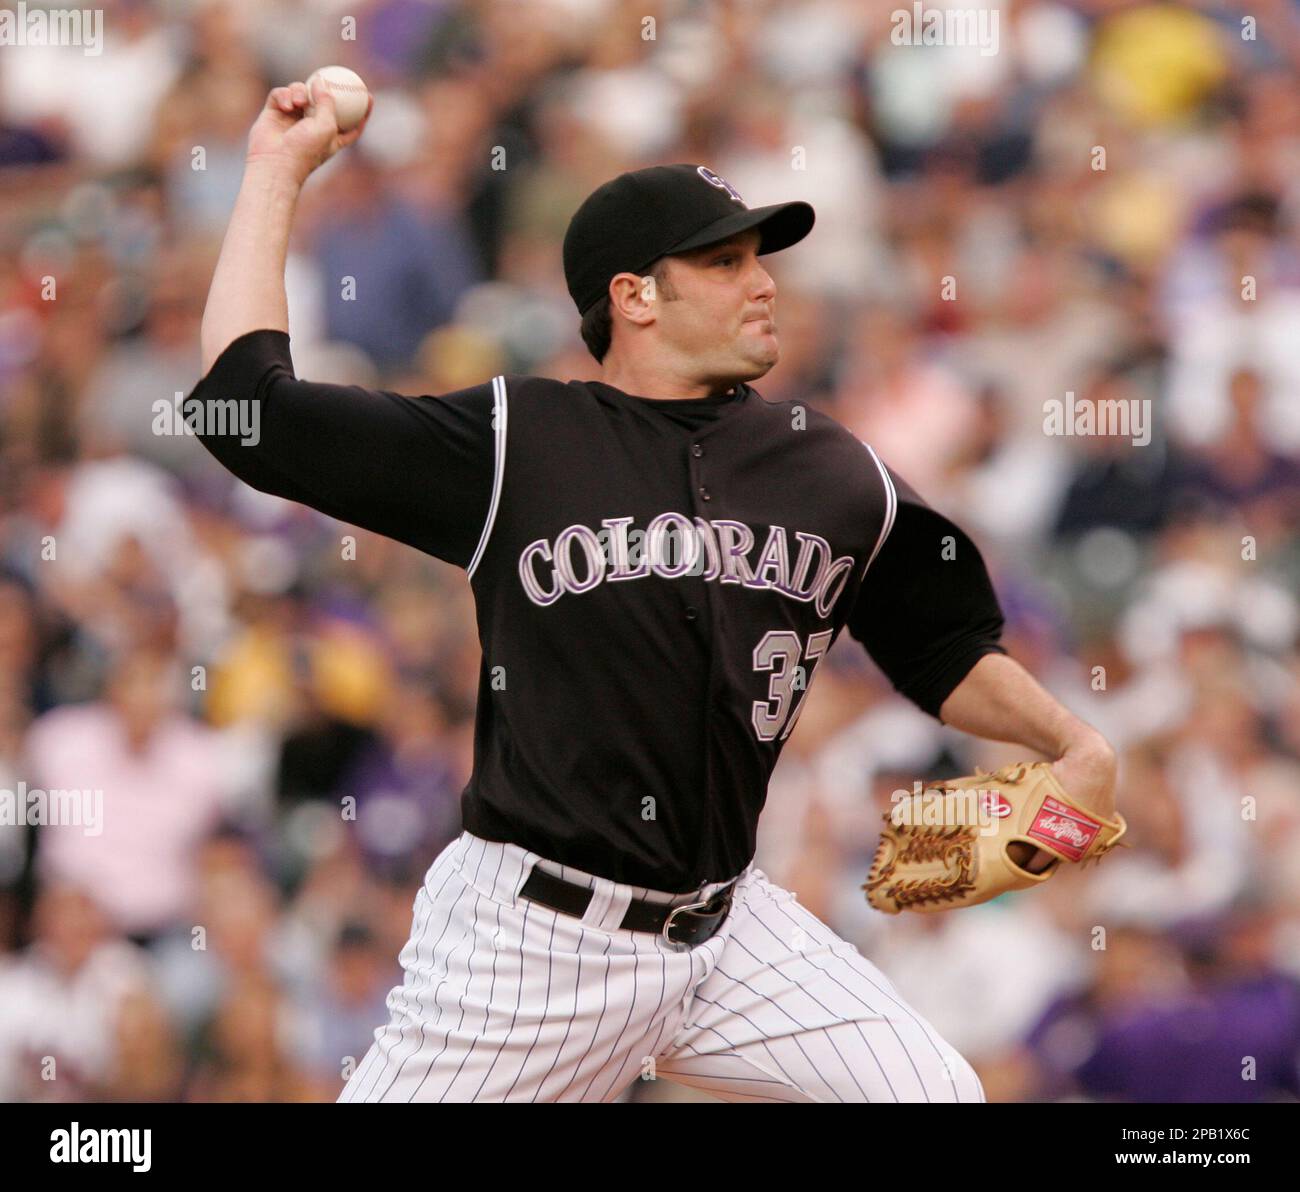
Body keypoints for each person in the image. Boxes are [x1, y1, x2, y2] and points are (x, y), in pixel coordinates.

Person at [184, 79, 1120, 1102]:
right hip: (530, 947)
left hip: (727, 935)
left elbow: (939, 646)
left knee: (938, 1094)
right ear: (633, 296)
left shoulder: (827, 468)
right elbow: (245, 414)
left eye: (757, 257)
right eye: (722, 262)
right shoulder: (518, 442)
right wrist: (277, 168)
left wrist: (1069, 744)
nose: (760, 283)